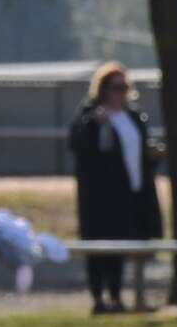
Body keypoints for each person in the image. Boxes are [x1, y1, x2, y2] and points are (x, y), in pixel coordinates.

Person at [68, 62, 163, 313]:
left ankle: (117, 295)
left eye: (124, 87)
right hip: (101, 197)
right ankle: (99, 297)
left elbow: (140, 149)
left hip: (131, 192)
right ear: (103, 89)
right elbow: (78, 145)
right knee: (99, 247)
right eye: (115, 88)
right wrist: (94, 125)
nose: (120, 93)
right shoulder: (91, 115)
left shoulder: (133, 117)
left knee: (123, 244)